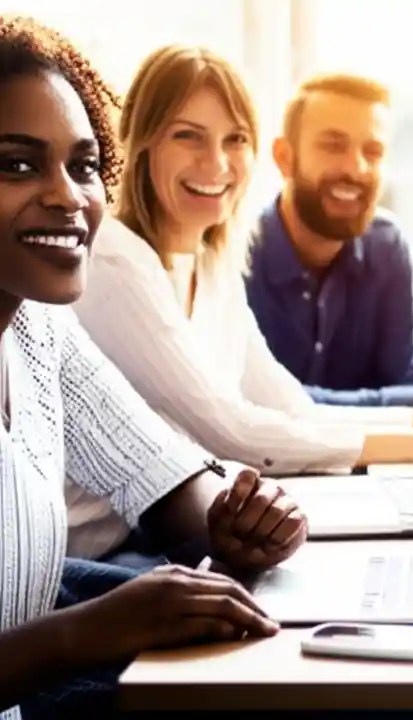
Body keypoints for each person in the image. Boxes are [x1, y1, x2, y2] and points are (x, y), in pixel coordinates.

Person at [70, 45, 413, 561]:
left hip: (147, 538)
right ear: (139, 142)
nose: (216, 163)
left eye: (235, 139)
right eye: (187, 136)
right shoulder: (116, 261)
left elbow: (290, 409)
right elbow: (233, 432)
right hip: (85, 557)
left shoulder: (212, 260)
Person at [0, 18, 305, 719]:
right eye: (16, 164)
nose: (68, 196)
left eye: (83, 166)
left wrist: (238, 518)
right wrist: (86, 632)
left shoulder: (40, 326)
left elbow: (163, 476)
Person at [246, 73, 413, 408]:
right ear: (284, 157)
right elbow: (264, 403)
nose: (356, 168)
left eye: (372, 152)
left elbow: (401, 382)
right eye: (333, 146)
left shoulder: (386, 247)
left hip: (371, 443)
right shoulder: (236, 257)